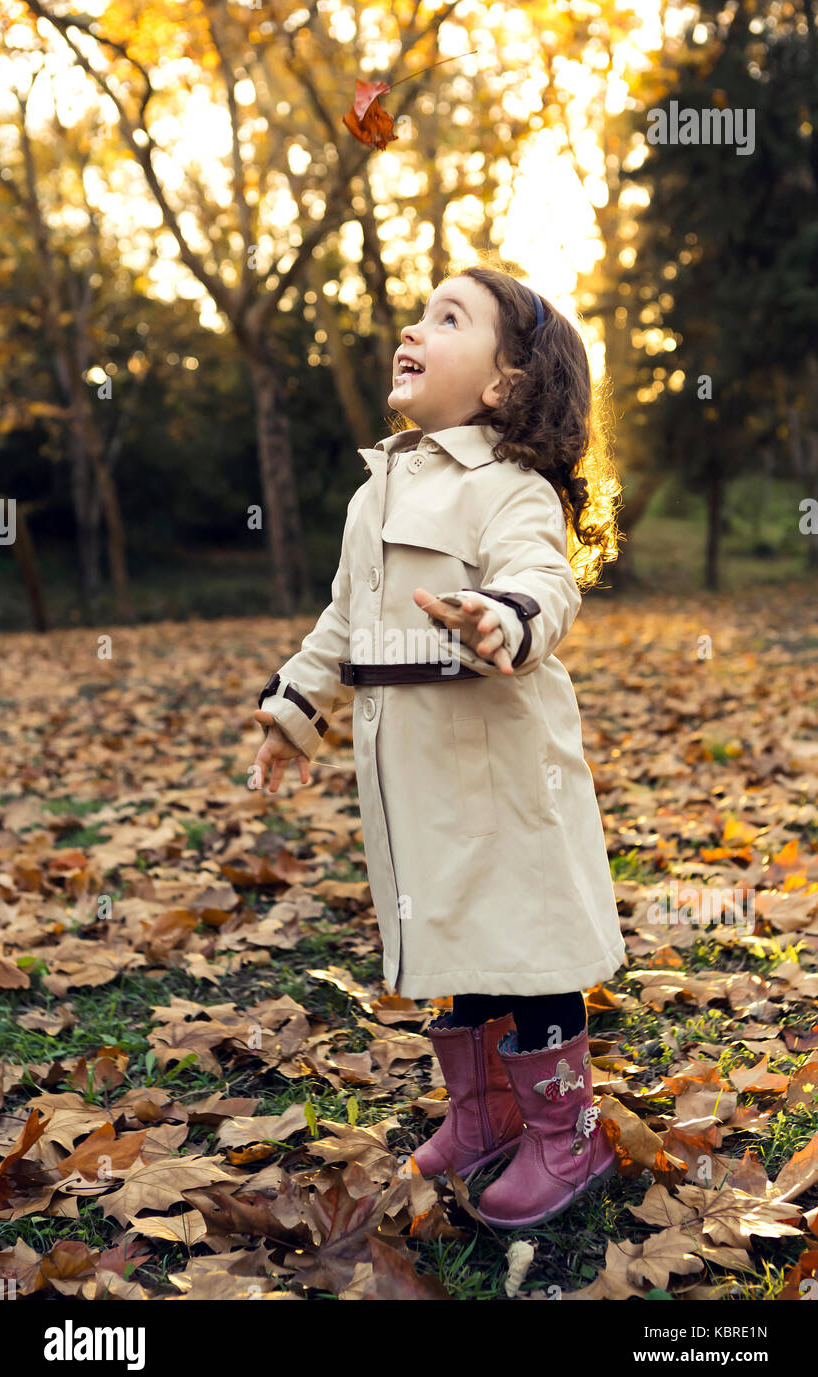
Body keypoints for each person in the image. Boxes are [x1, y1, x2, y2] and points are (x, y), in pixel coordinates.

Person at [252, 261, 626, 1229]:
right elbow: (342, 620)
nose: (413, 331)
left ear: (504, 382)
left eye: (449, 318)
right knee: (454, 934)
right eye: (418, 315)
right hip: (412, 777)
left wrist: (505, 616)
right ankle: (484, 1114)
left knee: (526, 944)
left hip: (501, 771)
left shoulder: (509, 488)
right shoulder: (373, 493)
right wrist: (294, 706)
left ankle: (568, 1133)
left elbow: (544, 578)